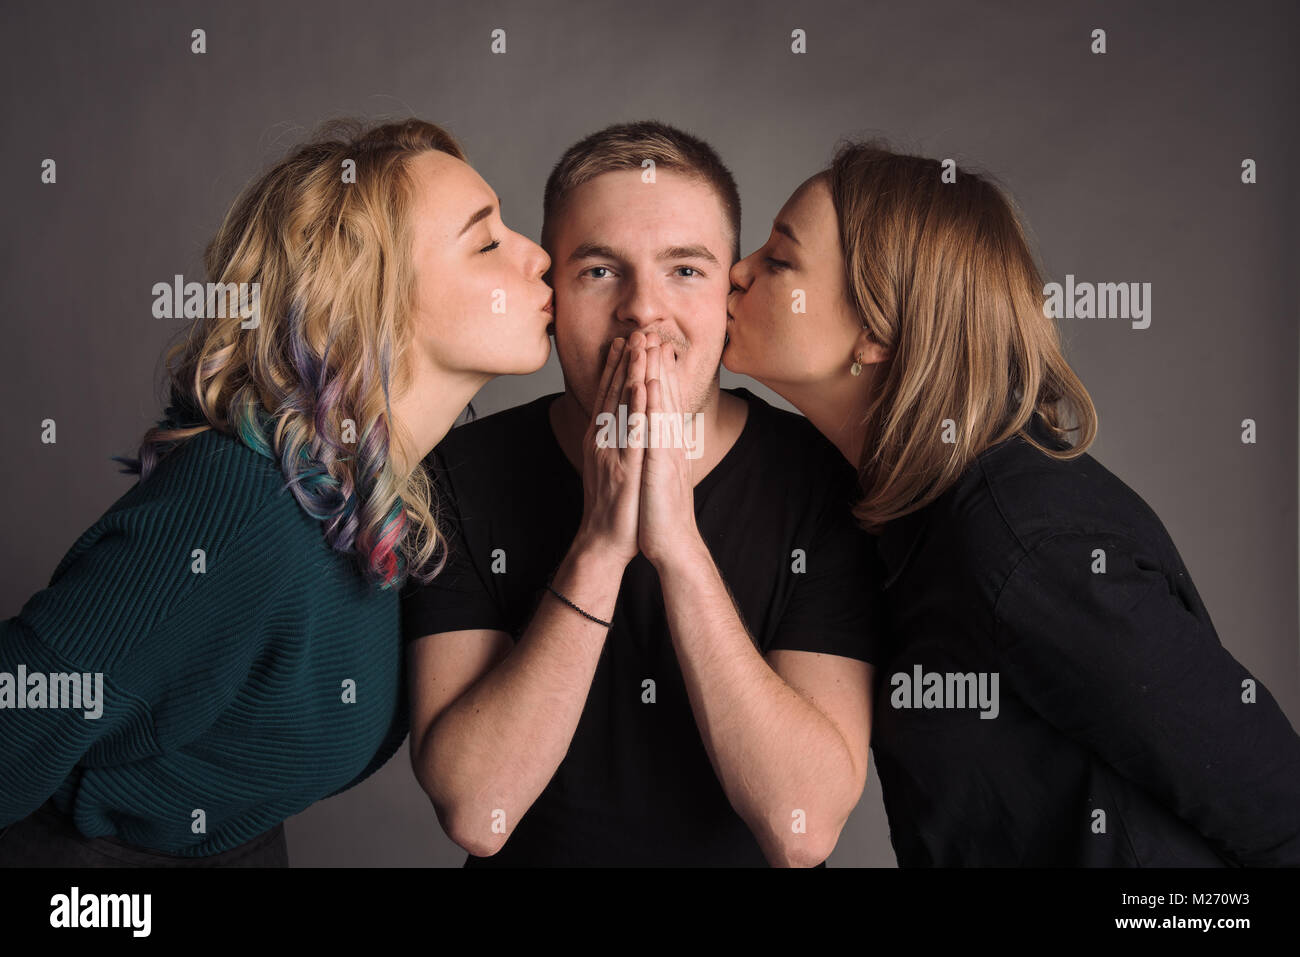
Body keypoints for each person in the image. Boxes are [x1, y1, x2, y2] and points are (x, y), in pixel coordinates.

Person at [722, 140, 1300, 865]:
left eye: (779, 260)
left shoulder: (1025, 542)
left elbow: (1279, 810)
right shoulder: (897, 515)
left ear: (876, 330)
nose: (735, 271)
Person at [0, 117, 554, 866]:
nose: (539, 256)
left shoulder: (398, 498)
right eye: (486, 243)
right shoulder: (240, 507)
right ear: (373, 301)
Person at [401, 120, 886, 867]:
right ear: (551, 293)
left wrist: (679, 550)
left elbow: (802, 828)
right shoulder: (458, 473)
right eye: (599, 271)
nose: (643, 308)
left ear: (730, 292)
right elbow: (476, 807)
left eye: (685, 271)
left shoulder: (824, 482)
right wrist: (601, 543)